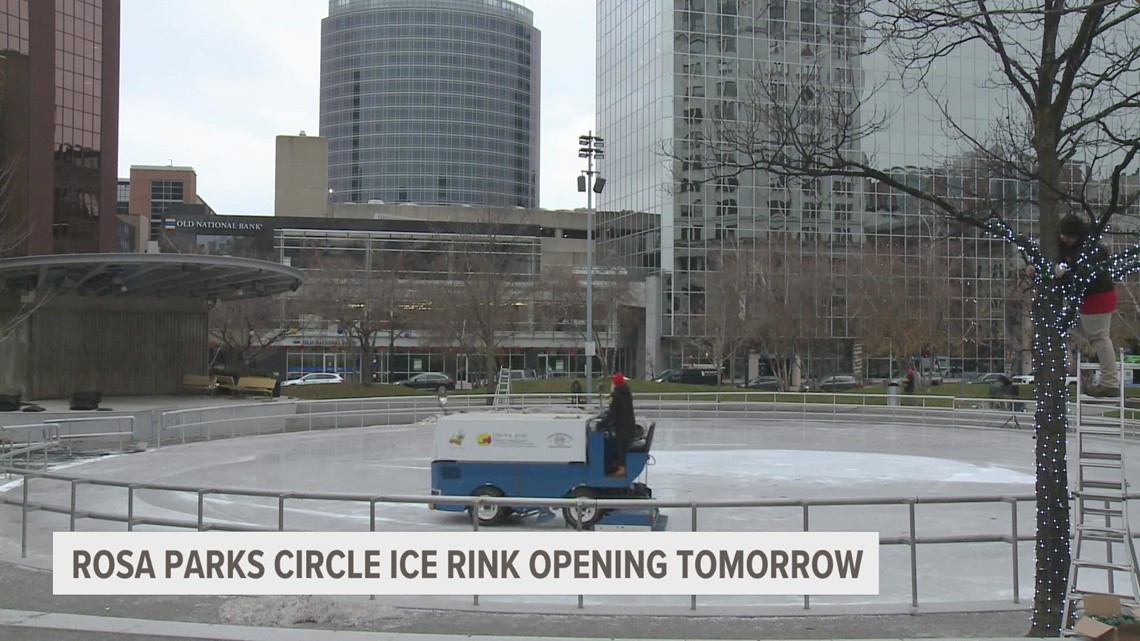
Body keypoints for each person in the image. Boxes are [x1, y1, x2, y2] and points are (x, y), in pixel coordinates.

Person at [1031, 215, 1119, 397]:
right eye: (1063, 234)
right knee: (1074, 328)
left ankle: (1110, 382)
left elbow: (1082, 274)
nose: (1064, 238)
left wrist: (1064, 273)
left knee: (1099, 337)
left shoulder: (1090, 251)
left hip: (1097, 297)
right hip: (1093, 298)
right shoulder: (1079, 247)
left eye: (1068, 235)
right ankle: (1110, 381)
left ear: (1077, 235)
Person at [603, 372, 637, 477]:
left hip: (622, 429)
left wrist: (603, 423)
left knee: (618, 445)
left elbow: (612, 413)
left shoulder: (616, 395)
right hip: (629, 427)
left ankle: (622, 468)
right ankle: (617, 463)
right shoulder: (626, 392)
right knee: (615, 442)